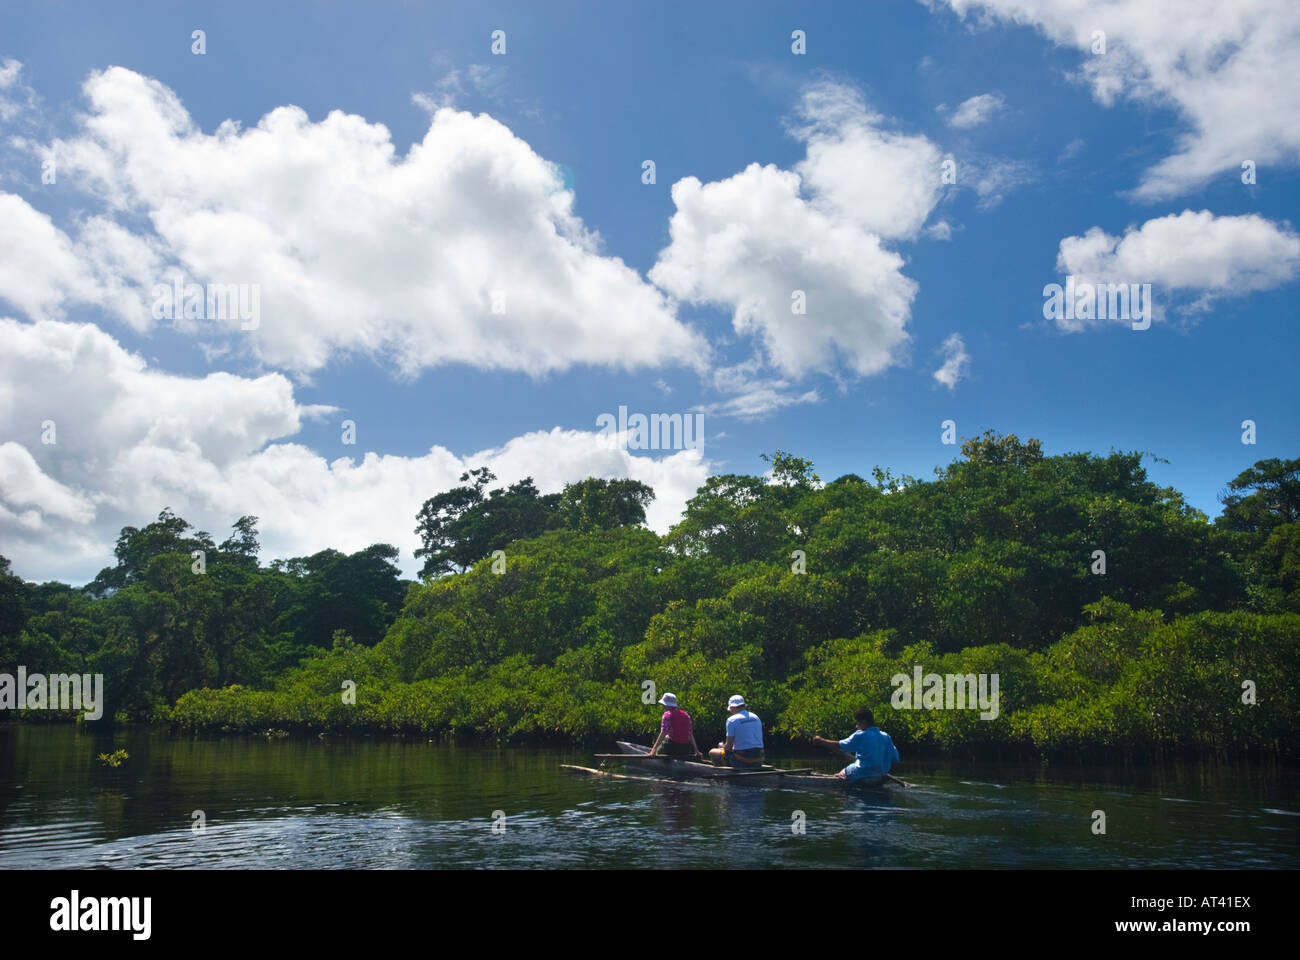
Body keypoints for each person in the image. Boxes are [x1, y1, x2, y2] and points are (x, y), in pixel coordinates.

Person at [811, 707, 900, 783]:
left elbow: (840, 745)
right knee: (855, 765)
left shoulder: (861, 734)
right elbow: (895, 758)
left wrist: (821, 741)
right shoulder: (886, 736)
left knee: (841, 774)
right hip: (881, 775)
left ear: (864, 722)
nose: (856, 726)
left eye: (858, 723)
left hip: (862, 774)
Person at [708, 695, 764, 768]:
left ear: (733, 707)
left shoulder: (732, 720)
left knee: (713, 752)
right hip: (759, 760)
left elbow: (728, 747)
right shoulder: (756, 717)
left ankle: (723, 774)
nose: (730, 711)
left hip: (742, 760)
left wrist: (722, 747)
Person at [649, 692, 702, 758]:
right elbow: (690, 734)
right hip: (685, 749)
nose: (662, 706)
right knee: (668, 738)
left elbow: (663, 733)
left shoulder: (667, 715)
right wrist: (696, 751)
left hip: (672, 747)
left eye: (663, 704)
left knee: (660, 748)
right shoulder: (686, 715)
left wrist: (654, 750)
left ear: (667, 705)